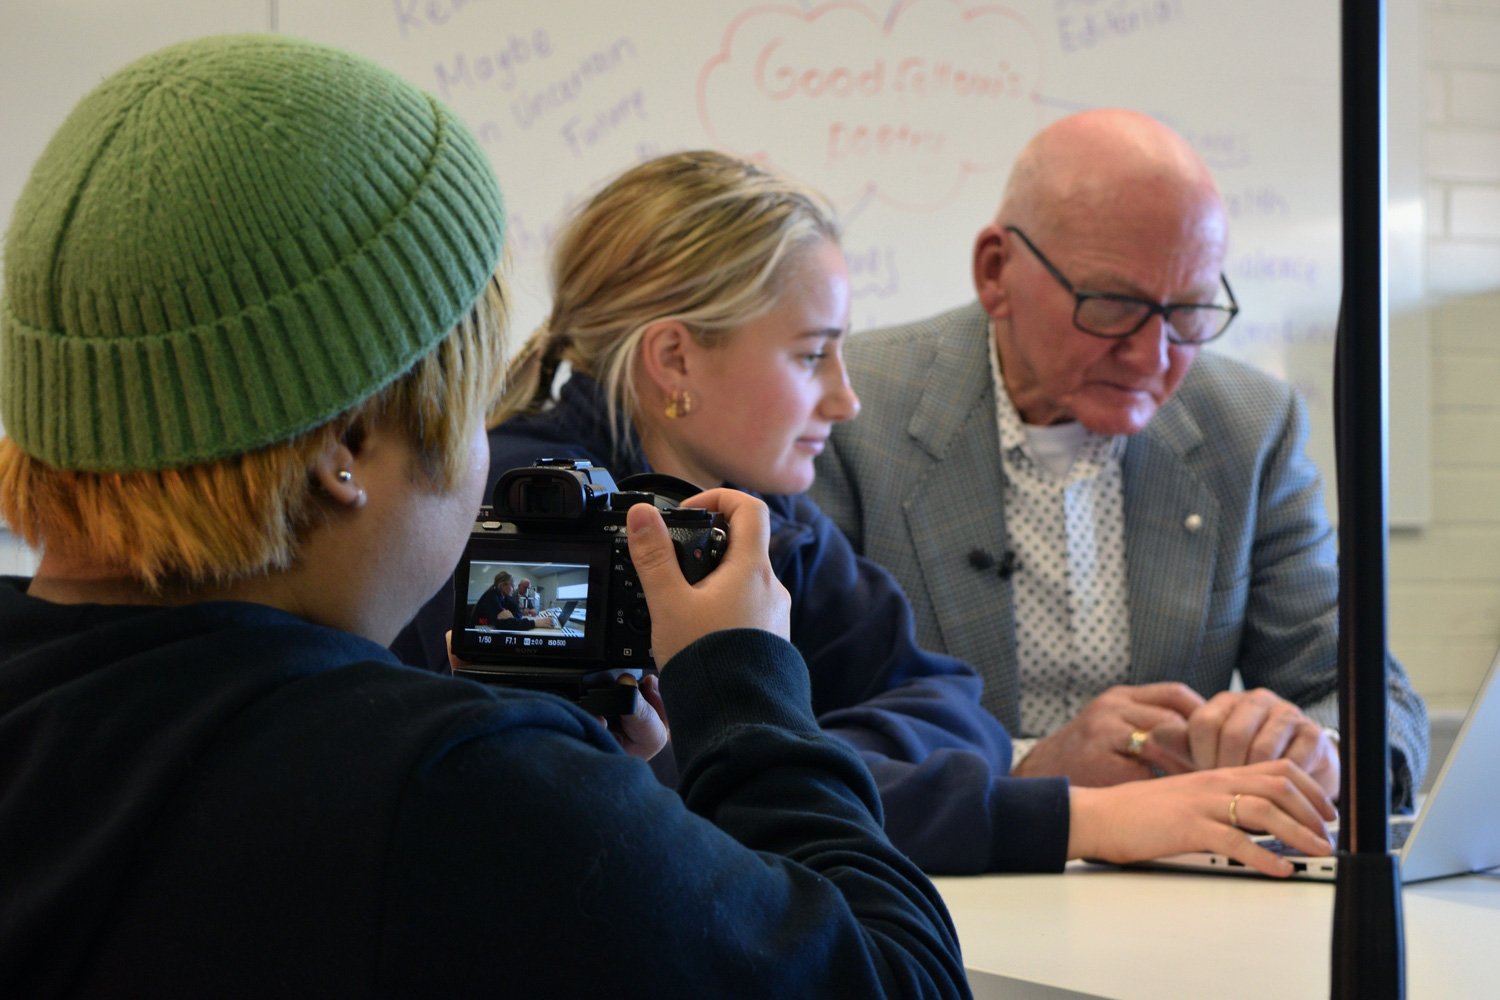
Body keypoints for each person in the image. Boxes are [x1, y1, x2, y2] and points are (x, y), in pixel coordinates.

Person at [0, 36, 975, 997]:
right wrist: (747, 705)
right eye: (473, 399)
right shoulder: (448, 789)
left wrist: (594, 785)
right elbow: (905, 979)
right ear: (345, 446)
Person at [395, 149, 1337, 877]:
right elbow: (632, 802)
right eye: (812, 356)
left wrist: (793, 758)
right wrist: (1069, 814)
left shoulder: (757, 519)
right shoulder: (526, 524)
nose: (845, 401)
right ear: (674, 361)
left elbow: (950, 704)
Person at [808, 108, 1429, 808]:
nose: (1151, 357)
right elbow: (791, 721)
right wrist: (1026, 772)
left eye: (1189, 313)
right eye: (1110, 306)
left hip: (1174, 885)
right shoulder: (846, 413)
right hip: (934, 876)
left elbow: (1360, 693)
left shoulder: (1251, 429)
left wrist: (1321, 753)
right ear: (996, 272)